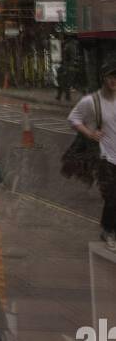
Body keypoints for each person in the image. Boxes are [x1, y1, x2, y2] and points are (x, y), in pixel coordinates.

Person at [69, 57, 116, 250]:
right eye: (110, 77)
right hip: (105, 157)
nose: (114, 80)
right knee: (113, 197)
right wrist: (90, 133)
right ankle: (108, 231)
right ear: (103, 78)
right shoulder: (92, 101)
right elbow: (73, 118)